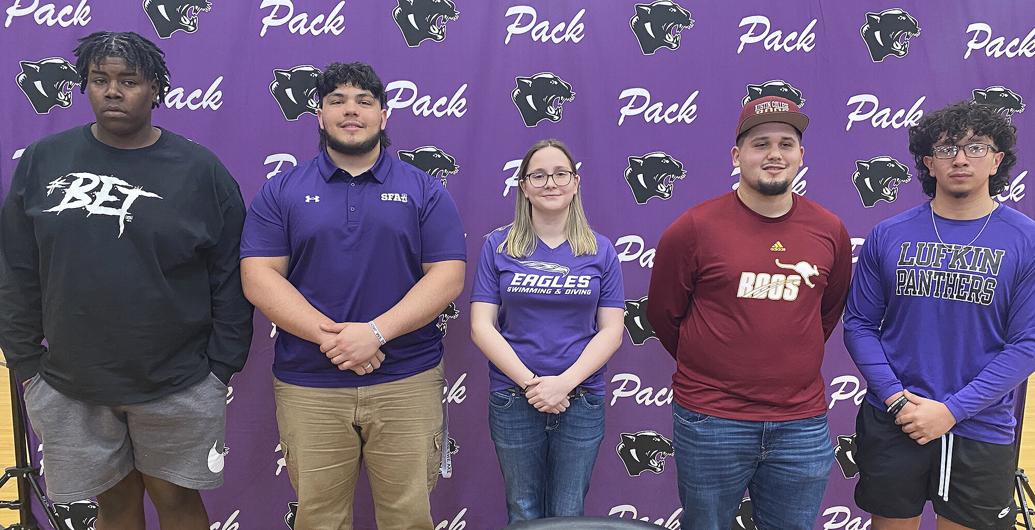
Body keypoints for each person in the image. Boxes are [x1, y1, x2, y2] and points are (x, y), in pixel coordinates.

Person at [0, 31, 252, 529]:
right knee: (112, 505)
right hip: (72, 381)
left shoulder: (200, 171)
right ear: (86, 86)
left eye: (128, 81)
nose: (112, 91)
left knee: (178, 503)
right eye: (100, 80)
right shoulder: (43, 160)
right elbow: (17, 266)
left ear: (155, 88)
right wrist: (26, 359)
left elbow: (231, 276)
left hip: (177, 380)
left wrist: (220, 366)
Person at [239, 61, 465, 530]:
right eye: (337, 101)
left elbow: (447, 276)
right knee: (319, 518)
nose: (351, 111)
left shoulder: (424, 189)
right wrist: (339, 340)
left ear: (384, 116)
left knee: (408, 517)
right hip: (310, 383)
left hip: (406, 379)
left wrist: (376, 334)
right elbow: (259, 277)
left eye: (364, 101)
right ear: (319, 115)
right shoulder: (282, 189)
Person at [647, 95, 853, 530]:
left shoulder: (829, 230)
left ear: (801, 155)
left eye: (786, 144)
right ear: (737, 156)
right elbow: (665, 316)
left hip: (801, 424)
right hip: (711, 420)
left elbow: (826, 312)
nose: (774, 155)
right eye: (760, 144)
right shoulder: (694, 228)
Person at [844, 102, 1035, 530]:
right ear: (928, 161)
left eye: (977, 147)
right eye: (947, 149)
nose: (961, 159)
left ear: (997, 159)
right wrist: (894, 398)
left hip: (978, 425)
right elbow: (858, 324)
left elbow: (1027, 344)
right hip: (897, 419)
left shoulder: (1026, 240)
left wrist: (951, 411)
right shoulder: (889, 234)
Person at [470, 139, 625, 523]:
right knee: (522, 510)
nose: (550, 183)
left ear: (575, 183)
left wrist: (565, 383)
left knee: (568, 513)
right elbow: (481, 326)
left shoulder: (601, 251)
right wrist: (532, 385)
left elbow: (611, 331)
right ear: (523, 186)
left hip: (581, 399)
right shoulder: (498, 246)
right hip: (513, 397)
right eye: (538, 175)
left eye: (560, 174)